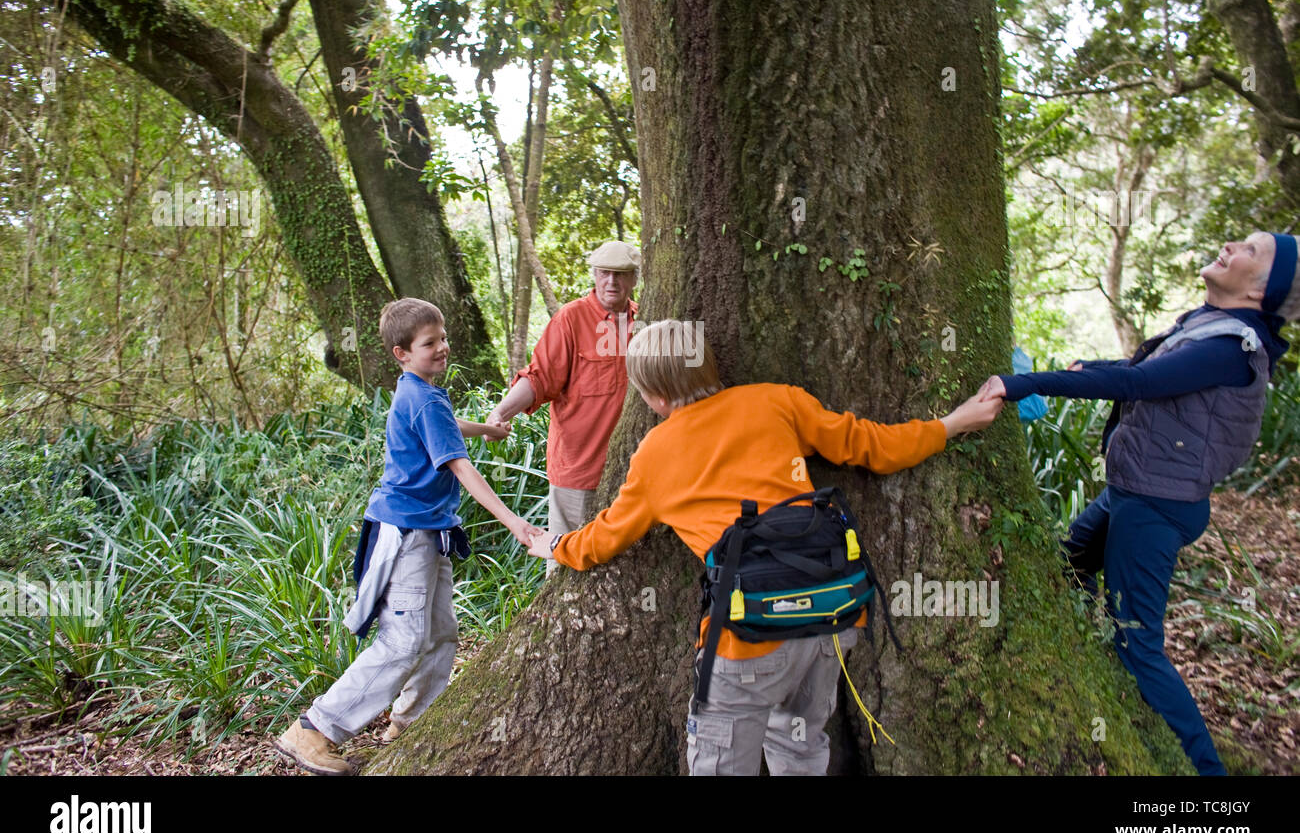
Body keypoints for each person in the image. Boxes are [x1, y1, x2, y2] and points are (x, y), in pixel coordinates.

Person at [526, 320, 1003, 775]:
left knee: (719, 763)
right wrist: (952, 423)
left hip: (749, 636)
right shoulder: (776, 402)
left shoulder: (655, 454)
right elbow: (871, 444)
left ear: (653, 396)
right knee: (798, 747)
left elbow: (605, 538)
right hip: (829, 621)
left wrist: (556, 545)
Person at [979, 231, 1299, 775]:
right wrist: (1090, 364)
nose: (1230, 246)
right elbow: (1145, 367)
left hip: (1156, 508)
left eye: (1249, 250)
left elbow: (1142, 382)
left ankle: (1209, 779)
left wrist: (1017, 384)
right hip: (1134, 494)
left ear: (1263, 287)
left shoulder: (1232, 347)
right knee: (1069, 567)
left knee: (1137, 643)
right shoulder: (1209, 326)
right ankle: (1080, 668)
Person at [275, 298, 542, 775]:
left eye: (442, 338)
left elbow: (443, 427)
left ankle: (410, 721)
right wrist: (513, 521)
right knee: (402, 642)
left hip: (430, 530)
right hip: (406, 534)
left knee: (441, 635)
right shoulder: (420, 395)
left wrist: (485, 428)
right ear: (402, 353)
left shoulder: (419, 392)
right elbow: (459, 467)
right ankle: (314, 728)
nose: (442, 348)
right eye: (429, 343)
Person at [489, 240, 641, 562]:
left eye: (620, 274)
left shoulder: (644, 322)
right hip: (579, 473)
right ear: (595, 275)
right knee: (566, 561)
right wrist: (501, 411)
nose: (611, 282)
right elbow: (539, 378)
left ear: (633, 279)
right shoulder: (571, 320)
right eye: (604, 273)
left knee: (624, 563)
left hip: (634, 473)